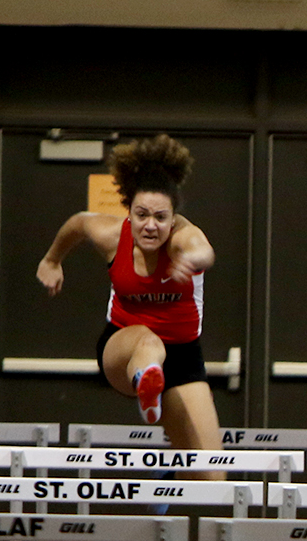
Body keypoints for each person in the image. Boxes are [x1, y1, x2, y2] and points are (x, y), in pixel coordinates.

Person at [34, 134, 222, 453]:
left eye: (160, 218)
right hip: (124, 348)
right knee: (149, 342)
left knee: (210, 470)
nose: (150, 226)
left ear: (173, 219)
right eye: (142, 215)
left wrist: (192, 260)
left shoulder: (184, 237)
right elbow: (79, 224)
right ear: (129, 212)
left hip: (182, 356)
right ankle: (146, 380)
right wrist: (52, 260)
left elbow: (204, 250)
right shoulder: (111, 236)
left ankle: (166, 462)